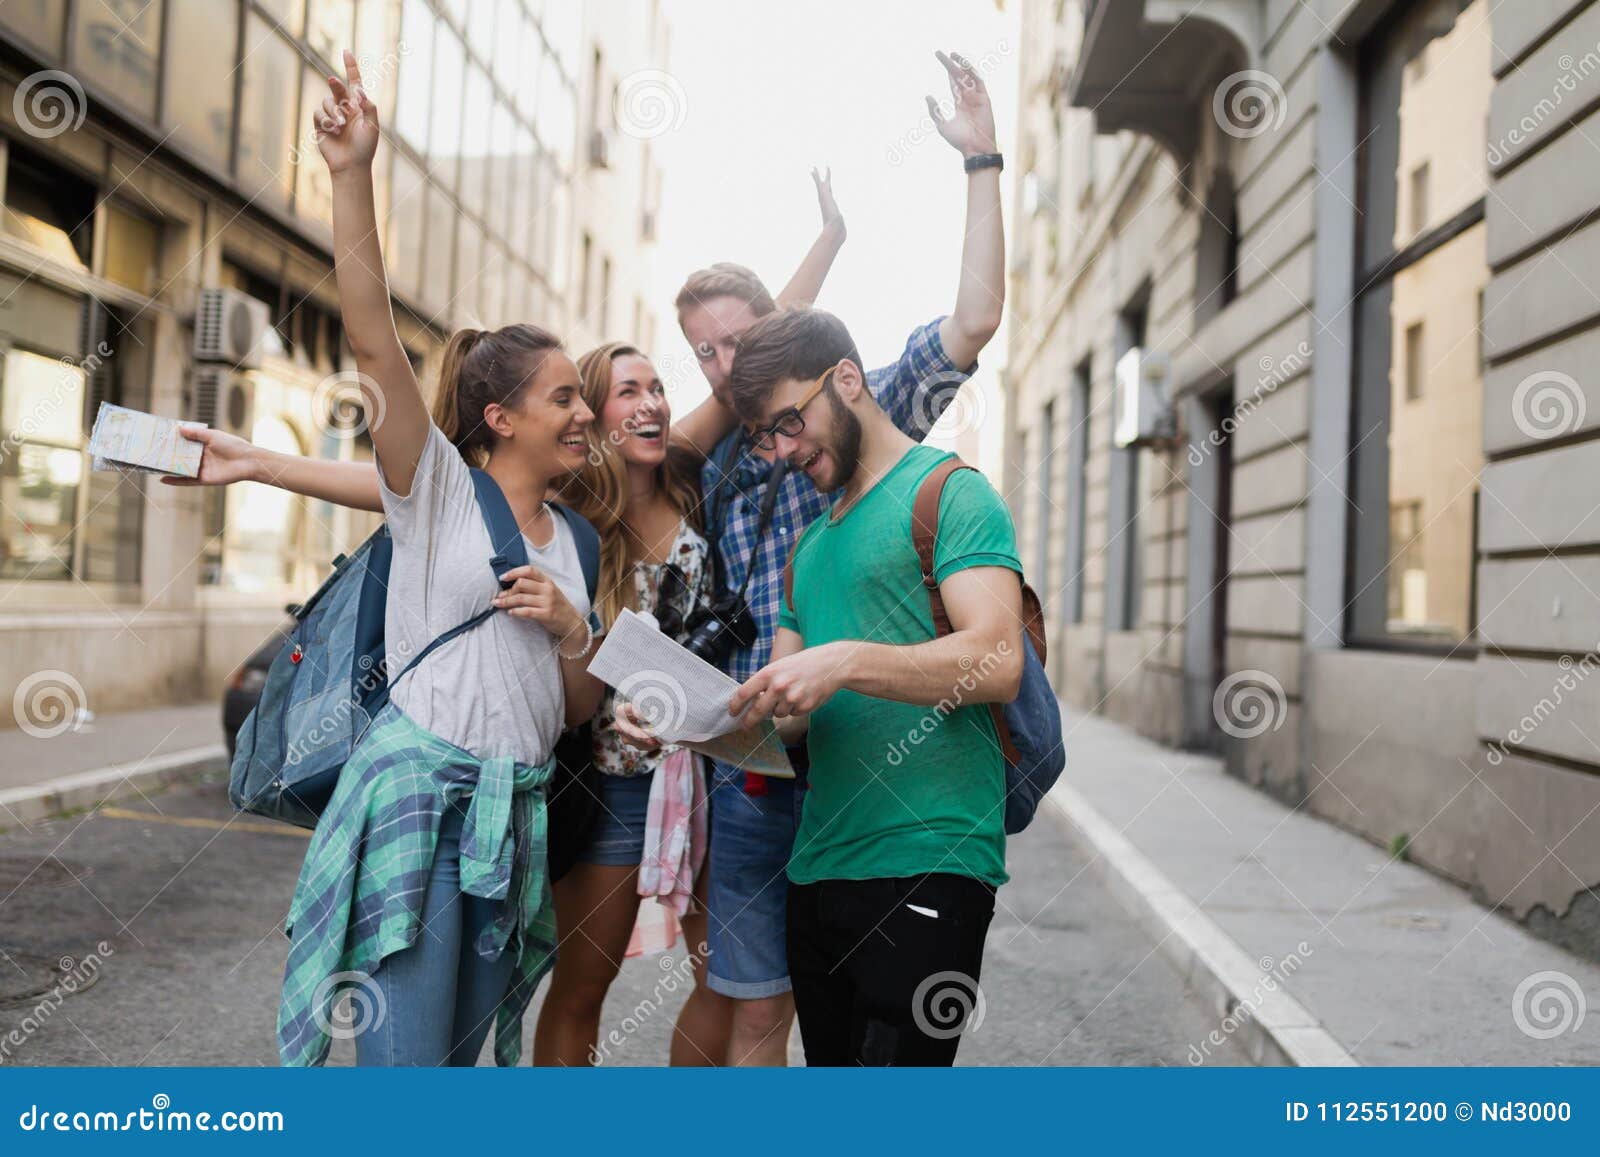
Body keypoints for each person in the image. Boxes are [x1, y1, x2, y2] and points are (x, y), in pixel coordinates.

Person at [628, 49, 1006, 1066]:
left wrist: (980, 165)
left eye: (737, 343)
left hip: (889, 767)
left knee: (880, 1047)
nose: (718, 367)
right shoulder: (727, 458)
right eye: (701, 354)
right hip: (765, 764)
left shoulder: (872, 426)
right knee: (764, 1008)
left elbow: (969, 323)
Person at [273, 53, 606, 1067]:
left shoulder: (580, 538)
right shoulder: (436, 490)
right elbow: (375, 343)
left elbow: (578, 707)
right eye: (564, 399)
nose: (584, 412)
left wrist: (570, 630)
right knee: (408, 1065)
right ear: (498, 416)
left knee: (462, 1066)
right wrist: (350, 175)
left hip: (512, 815)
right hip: (421, 800)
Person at [724, 306, 1023, 1065]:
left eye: (790, 422)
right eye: (767, 436)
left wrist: (845, 660)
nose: (784, 450)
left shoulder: (950, 492)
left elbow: (998, 658)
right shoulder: (807, 546)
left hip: (929, 856)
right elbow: (787, 725)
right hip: (817, 868)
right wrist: (689, 715)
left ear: (848, 380)